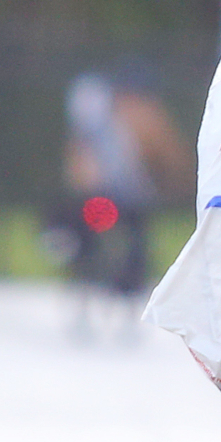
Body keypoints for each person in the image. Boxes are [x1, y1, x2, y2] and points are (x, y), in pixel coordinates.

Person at [49, 69, 187, 332]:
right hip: (116, 200)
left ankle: (97, 297)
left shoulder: (99, 118)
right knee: (122, 248)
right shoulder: (143, 118)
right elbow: (168, 156)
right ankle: (108, 300)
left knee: (111, 249)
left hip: (110, 199)